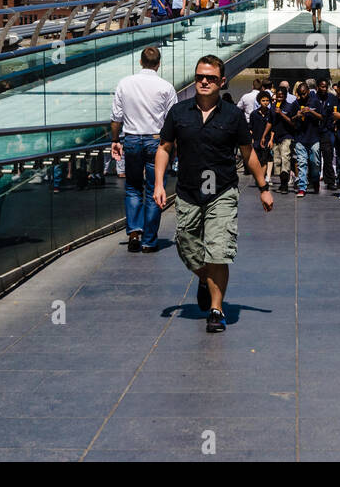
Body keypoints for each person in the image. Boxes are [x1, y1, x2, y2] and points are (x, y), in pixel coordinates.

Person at [155, 56, 274, 334]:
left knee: (218, 251)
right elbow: (164, 147)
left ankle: (216, 310)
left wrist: (263, 188)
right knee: (186, 245)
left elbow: (248, 153)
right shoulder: (179, 112)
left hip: (222, 191)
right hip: (188, 191)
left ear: (222, 81)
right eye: (199, 77)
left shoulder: (233, 116)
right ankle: (206, 279)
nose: (204, 81)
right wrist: (159, 184)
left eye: (210, 77)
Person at [109, 46, 178, 254]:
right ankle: (149, 240)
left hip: (130, 139)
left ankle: (133, 233)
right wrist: (173, 146)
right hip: (156, 141)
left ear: (140, 62)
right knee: (155, 188)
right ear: (158, 64)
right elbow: (173, 120)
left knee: (132, 187)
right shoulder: (166, 87)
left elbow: (116, 118)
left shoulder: (125, 83)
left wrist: (115, 139)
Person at [292, 80, 324, 197]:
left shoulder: (315, 102)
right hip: (300, 138)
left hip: (314, 137)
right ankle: (302, 187)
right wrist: (297, 115)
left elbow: (322, 117)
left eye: (304, 93)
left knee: (315, 162)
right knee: (302, 163)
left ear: (308, 92)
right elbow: (291, 120)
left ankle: (315, 180)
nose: (302, 96)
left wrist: (310, 111)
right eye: (300, 94)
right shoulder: (296, 103)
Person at [248, 90, 275, 184]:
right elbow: (250, 128)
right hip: (256, 140)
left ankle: (261, 179)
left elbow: (273, 128)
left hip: (267, 140)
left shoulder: (271, 113)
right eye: (263, 100)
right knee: (257, 161)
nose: (265, 102)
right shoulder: (254, 114)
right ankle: (259, 177)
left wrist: (271, 140)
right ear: (259, 101)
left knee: (265, 160)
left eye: (267, 100)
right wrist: (251, 139)